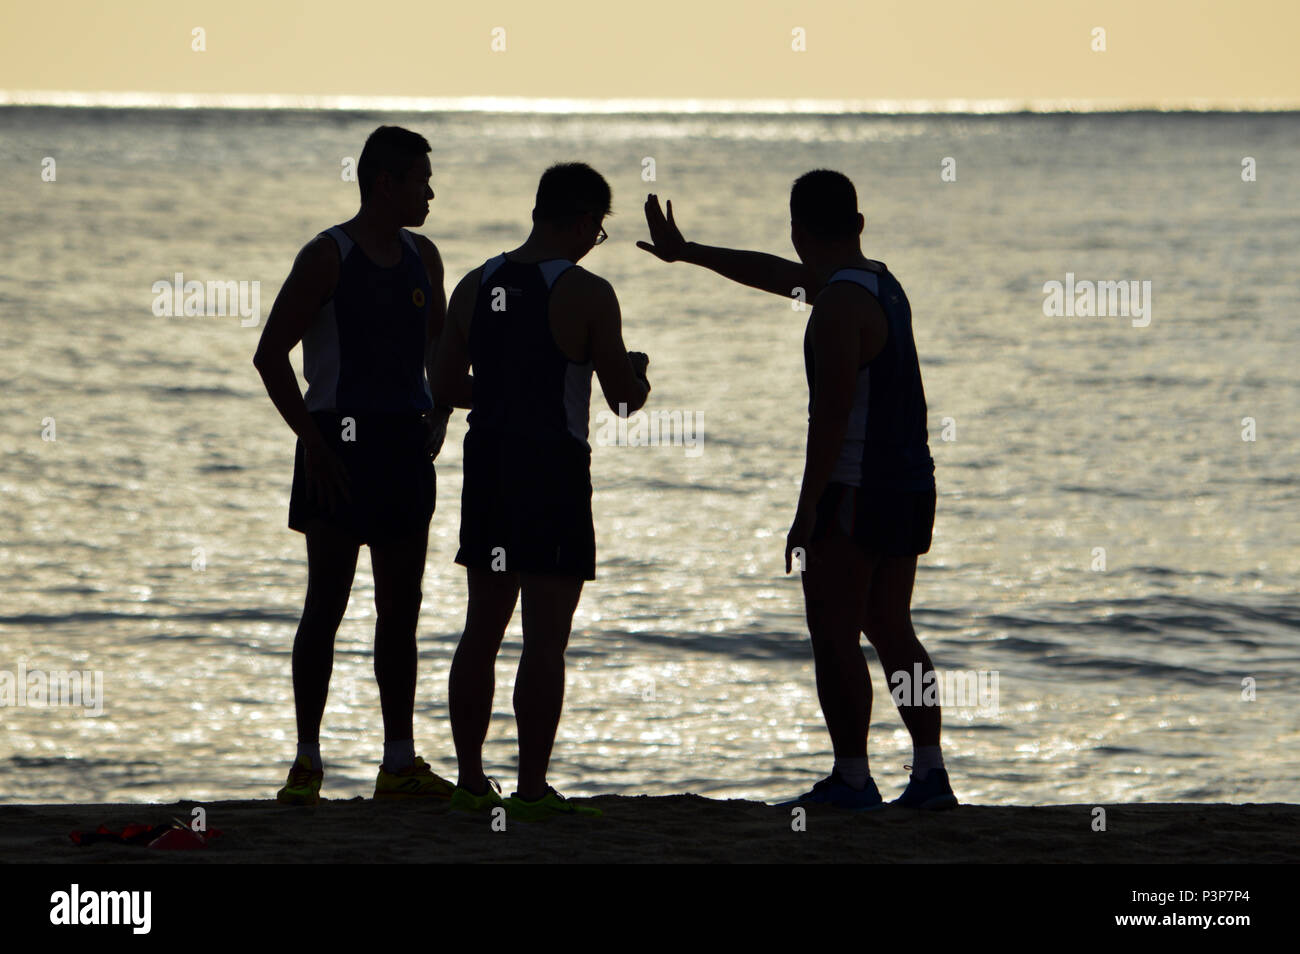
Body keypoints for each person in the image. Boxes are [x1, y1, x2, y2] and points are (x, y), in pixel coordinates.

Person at [638, 171, 957, 810]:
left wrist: (806, 508)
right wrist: (690, 251)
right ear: (859, 225)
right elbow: (778, 275)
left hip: (856, 489)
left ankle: (853, 778)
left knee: (834, 631)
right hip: (909, 484)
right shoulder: (880, 284)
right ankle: (929, 776)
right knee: (891, 625)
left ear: (798, 230)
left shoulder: (838, 305)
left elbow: (830, 418)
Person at [433, 162, 650, 820]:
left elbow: (445, 386)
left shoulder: (476, 284)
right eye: (599, 230)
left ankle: (470, 779)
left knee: (482, 630)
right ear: (583, 221)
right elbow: (619, 399)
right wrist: (638, 372)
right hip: (553, 469)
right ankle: (530, 788)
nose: (596, 241)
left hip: (490, 462)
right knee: (545, 640)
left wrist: (499, 393)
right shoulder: (587, 293)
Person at [253, 125, 455, 805]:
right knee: (326, 605)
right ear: (384, 183)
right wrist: (311, 442)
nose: (431, 190)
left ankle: (398, 761)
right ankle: (308, 759)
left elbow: (440, 358)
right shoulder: (326, 256)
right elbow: (270, 354)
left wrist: (441, 415)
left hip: (402, 450)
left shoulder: (426, 258)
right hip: (335, 448)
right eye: (422, 179)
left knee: (401, 610)